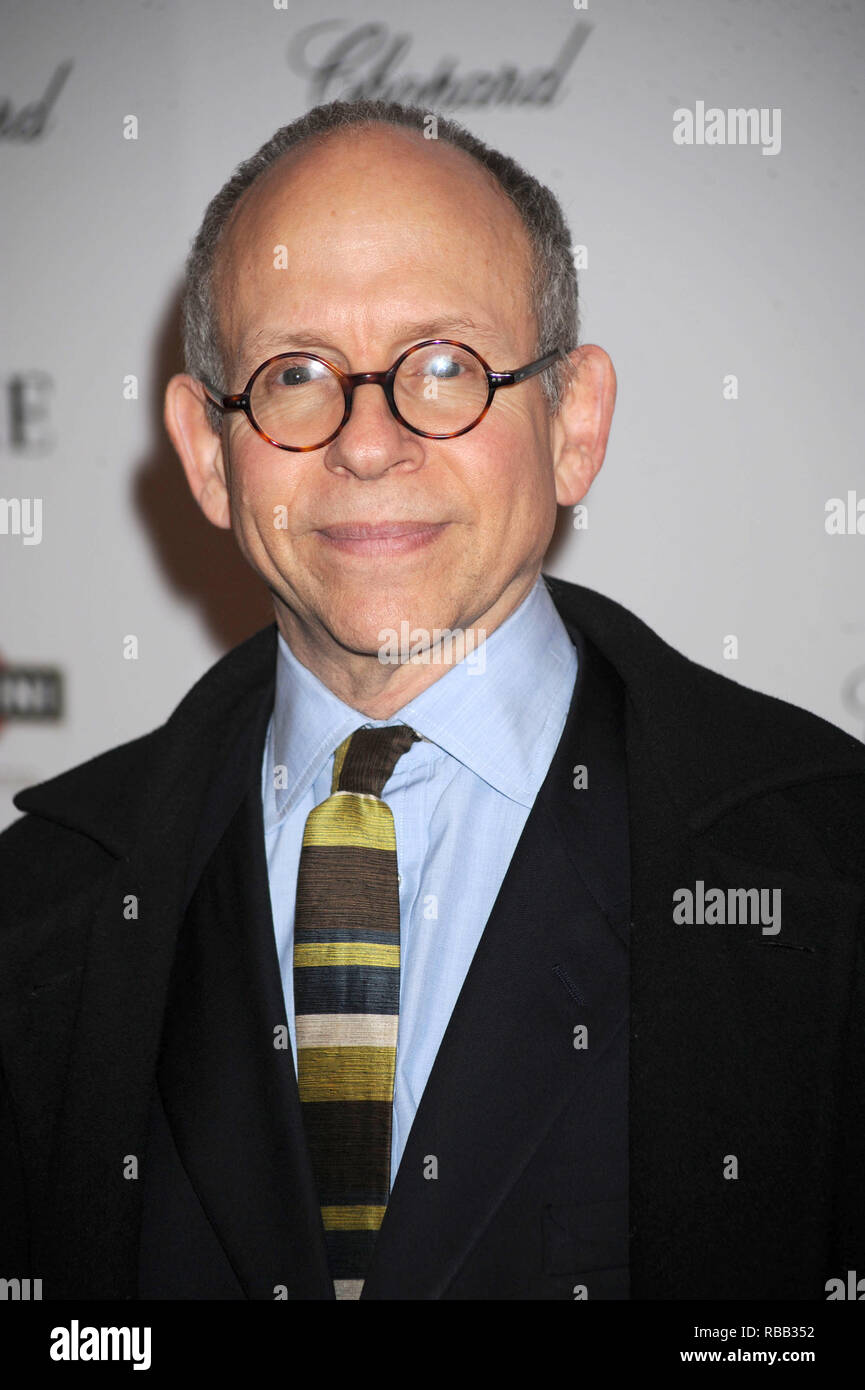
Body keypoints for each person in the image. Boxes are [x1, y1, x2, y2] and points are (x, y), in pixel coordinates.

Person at [1, 98, 863, 1302]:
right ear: (208, 453)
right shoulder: (36, 914)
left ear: (575, 422)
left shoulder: (829, 875)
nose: (365, 442)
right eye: (295, 373)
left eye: (445, 365)